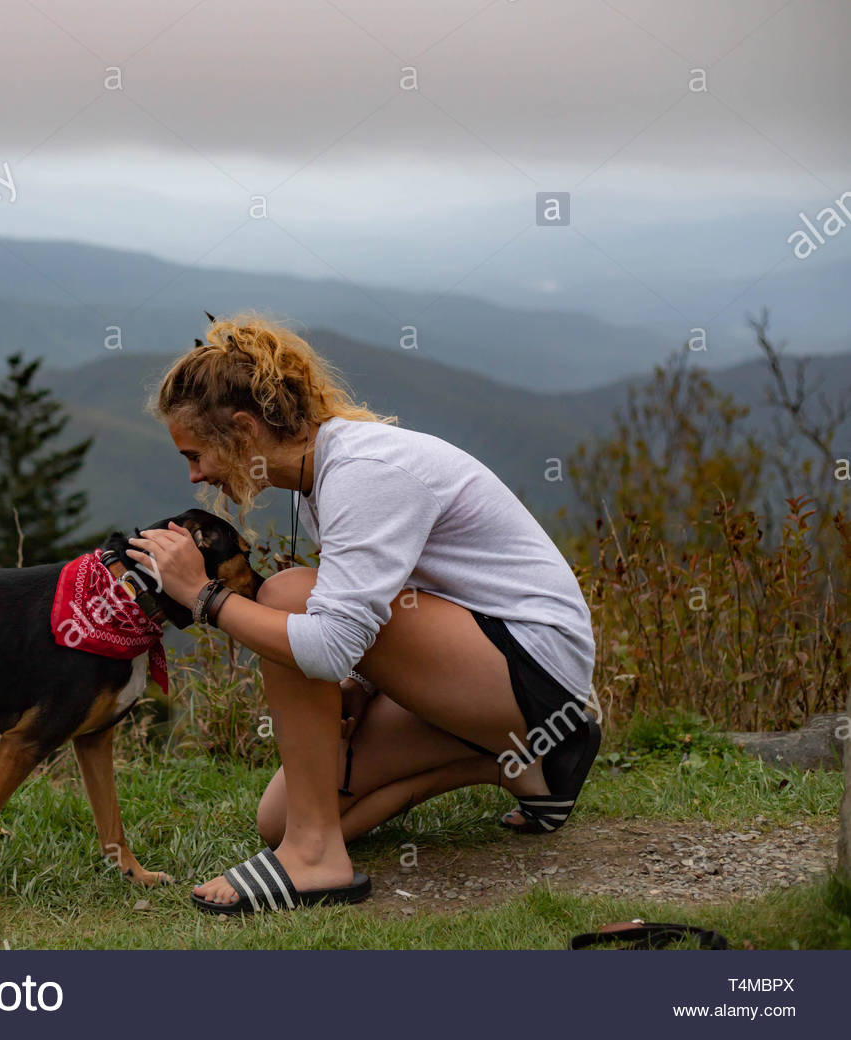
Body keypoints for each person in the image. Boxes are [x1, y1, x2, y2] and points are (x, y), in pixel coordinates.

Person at [125, 312, 600, 913]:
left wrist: (203, 597)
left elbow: (326, 643)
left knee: (288, 596)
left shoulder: (364, 473)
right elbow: (382, 616)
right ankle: (519, 764)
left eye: (196, 455)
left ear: (243, 430)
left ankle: (317, 860)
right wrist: (359, 685)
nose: (196, 475)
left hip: (534, 670)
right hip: (488, 676)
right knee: (283, 818)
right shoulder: (323, 476)